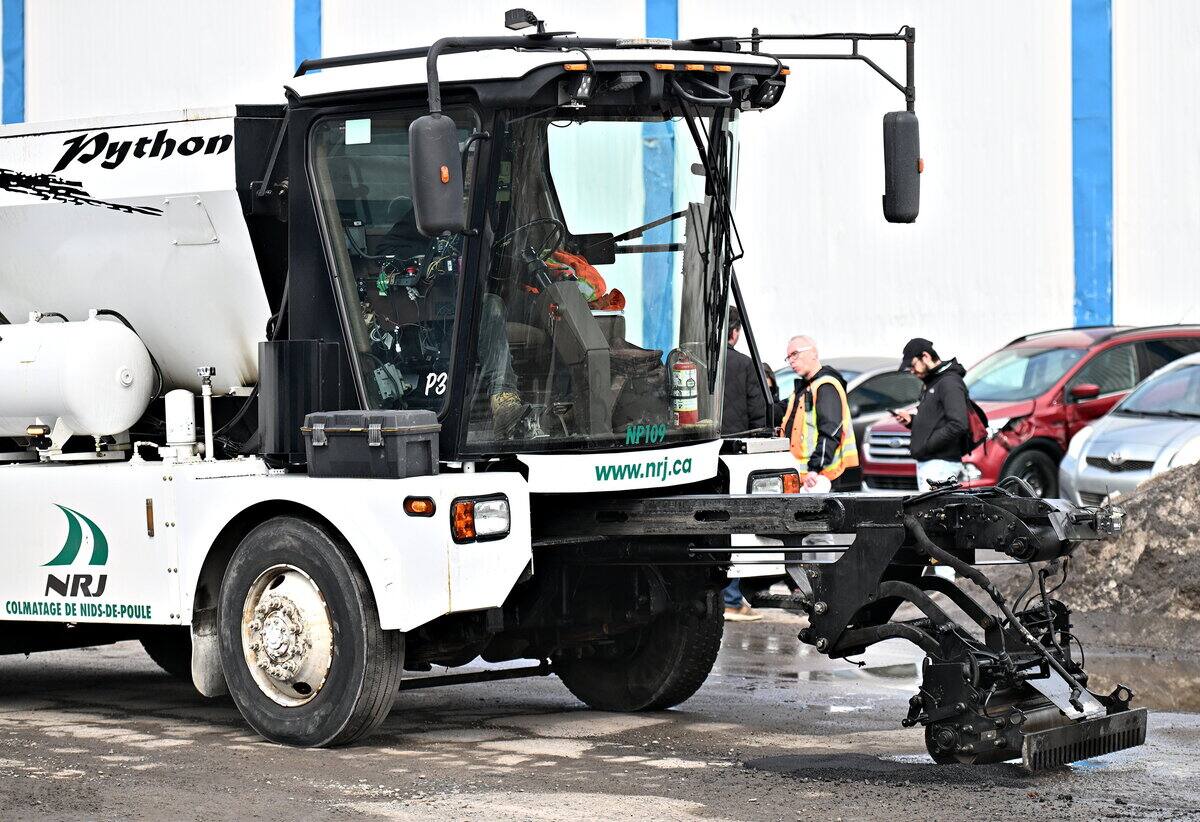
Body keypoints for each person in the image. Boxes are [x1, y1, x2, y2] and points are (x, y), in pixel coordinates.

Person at [721, 307, 769, 621]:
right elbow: (759, 414)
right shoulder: (744, 365)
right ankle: (732, 598)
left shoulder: (689, 361)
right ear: (735, 332)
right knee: (733, 526)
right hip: (734, 454)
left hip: (696, 454)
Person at [777, 336, 859, 490]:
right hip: (805, 477)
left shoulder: (826, 386)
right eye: (788, 357)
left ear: (814, 353)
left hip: (821, 478)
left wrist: (815, 469)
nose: (791, 361)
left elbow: (830, 431)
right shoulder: (804, 388)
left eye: (795, 354)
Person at [891, 338, 970, 490]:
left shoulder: (949, 382)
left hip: (940, 465)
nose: (912, 371)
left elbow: (959, 424)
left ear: (925, 357)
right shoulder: (933, 381)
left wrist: (926, 444)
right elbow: (935, 420)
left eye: (913, 365)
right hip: (932, 464)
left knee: (934, 512)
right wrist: (912, 421)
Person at [721, 307, 769, 437]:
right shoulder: (745, 363)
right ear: (735, 332)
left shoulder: (695, 361)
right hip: (735, 441)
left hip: (701, 443)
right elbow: (756, 410)